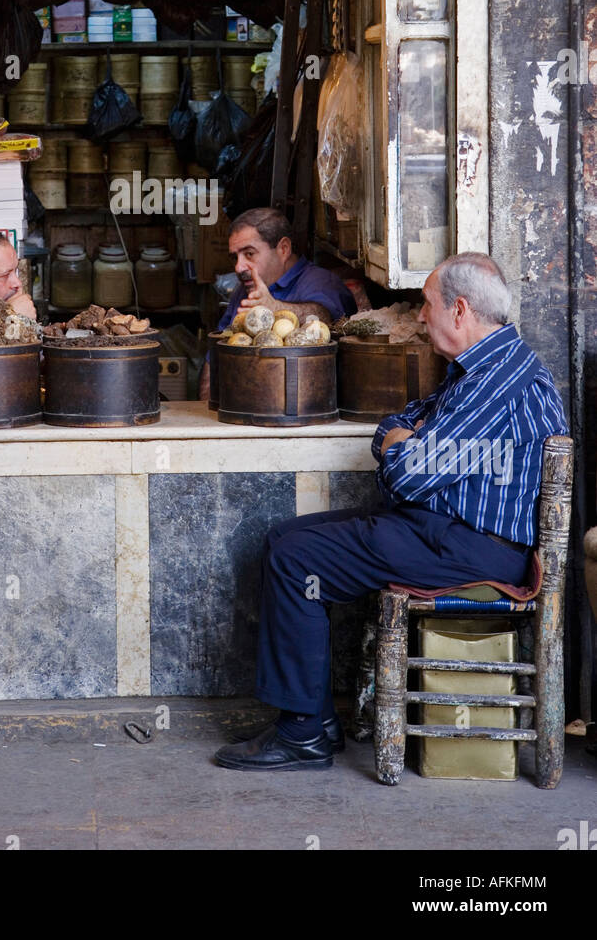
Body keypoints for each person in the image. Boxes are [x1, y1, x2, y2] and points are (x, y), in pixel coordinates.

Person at [213, 252, 568, 772]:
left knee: (297, 559)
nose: (421, 317)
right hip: (442, 530)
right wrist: (406, 441)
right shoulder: (480, 365)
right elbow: (399, 423)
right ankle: (314, 717)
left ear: (460, 310)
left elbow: (406, 473)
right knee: (283, 539)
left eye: (426, 306)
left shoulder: (500, 380)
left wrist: (407, 447)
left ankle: (302, 734)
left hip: (475, 548)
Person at [199, 208, 357, 398]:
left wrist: (274, 307)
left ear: (283, 249)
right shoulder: (244, 291)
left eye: (249, 254)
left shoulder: (321, 282)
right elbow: (216, 353)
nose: (238, 267)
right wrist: (208, 405)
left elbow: (326, 317)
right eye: (235, 257)